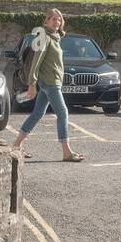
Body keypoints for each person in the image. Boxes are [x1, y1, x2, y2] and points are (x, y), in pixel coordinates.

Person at [10, 9, 83, 163]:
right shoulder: (44, 37)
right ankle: (66, 152)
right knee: (62, 113)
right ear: (46, 21)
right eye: (53, 19)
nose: (57, 22)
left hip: (51, 81)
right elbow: (36, 62)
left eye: (59, 19)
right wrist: (32, 84)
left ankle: (16, 145)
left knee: (37, 114)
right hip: (50, 83)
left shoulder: (55, 38)